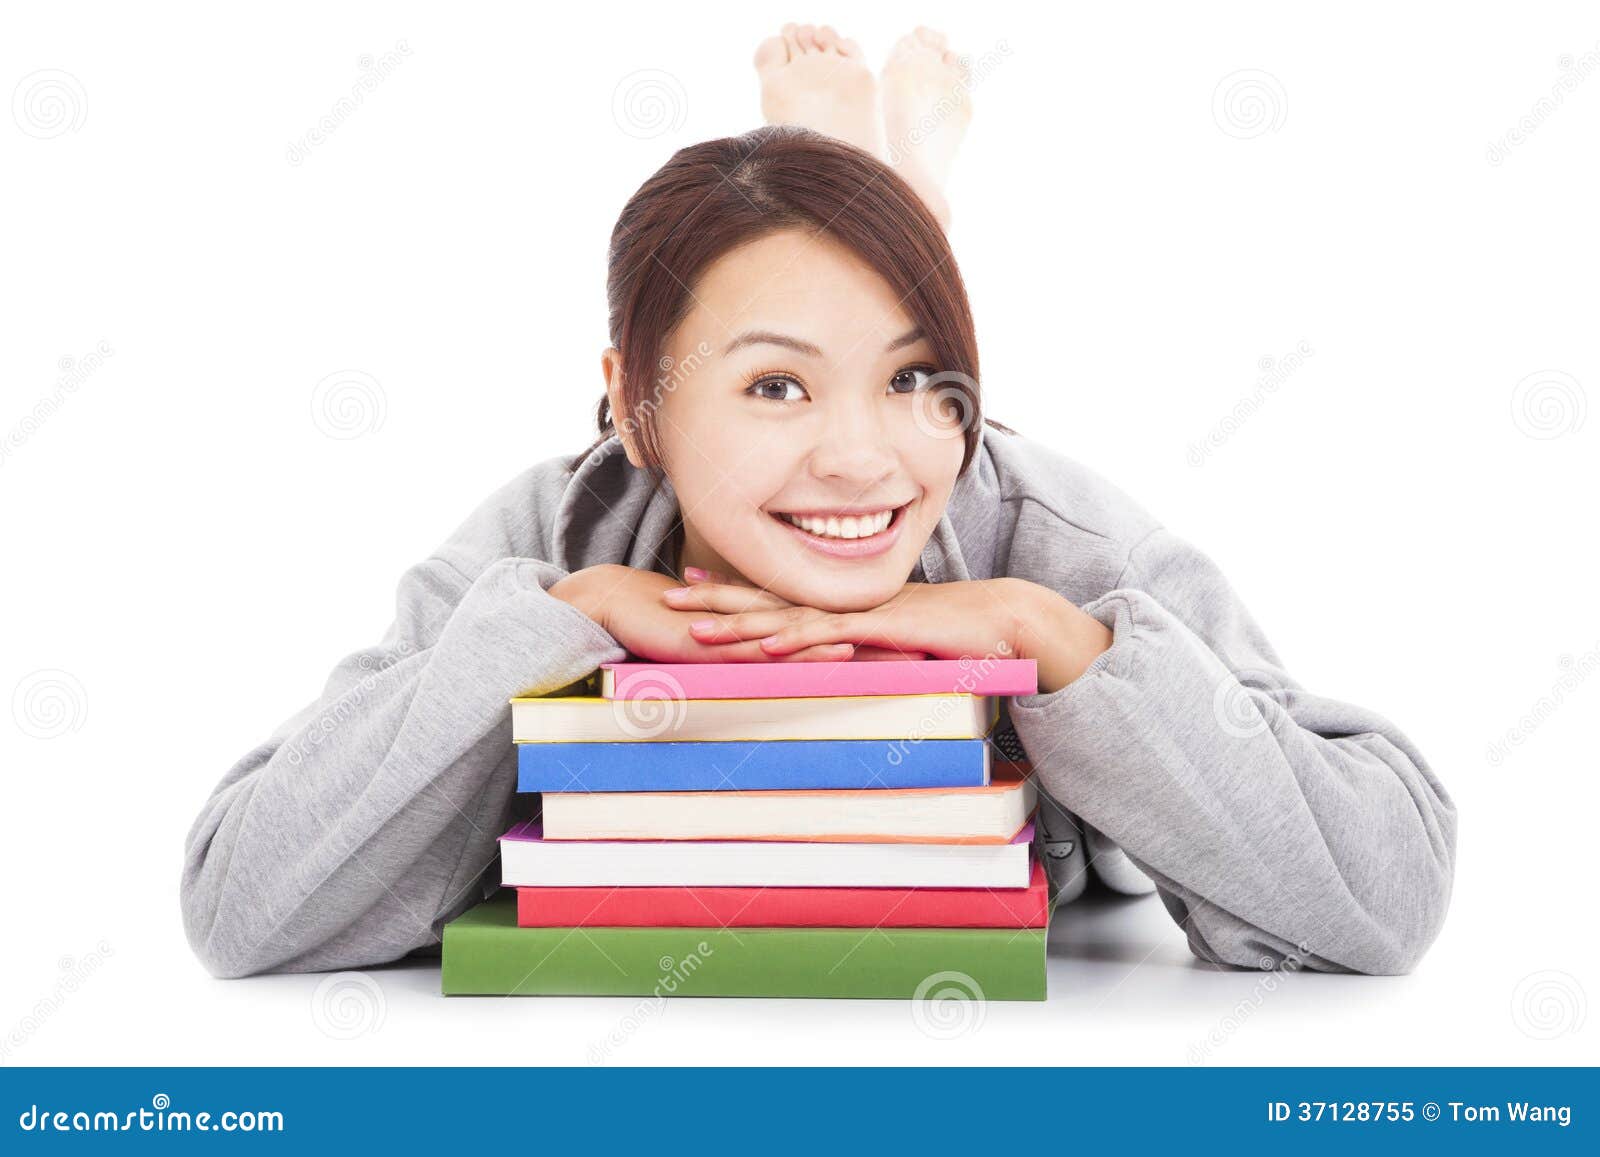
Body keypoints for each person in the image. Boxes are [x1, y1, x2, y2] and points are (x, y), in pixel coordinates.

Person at [181, 24, 1456, 979]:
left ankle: (879, 188)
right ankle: (877, 189)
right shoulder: (549, 539)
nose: (862, 460)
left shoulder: (1050, 534)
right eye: (776, 385)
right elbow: (241, 904)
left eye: (915, 376)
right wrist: (567, 617)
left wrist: (1054, 639)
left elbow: (1386, 890)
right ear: (635, 406)